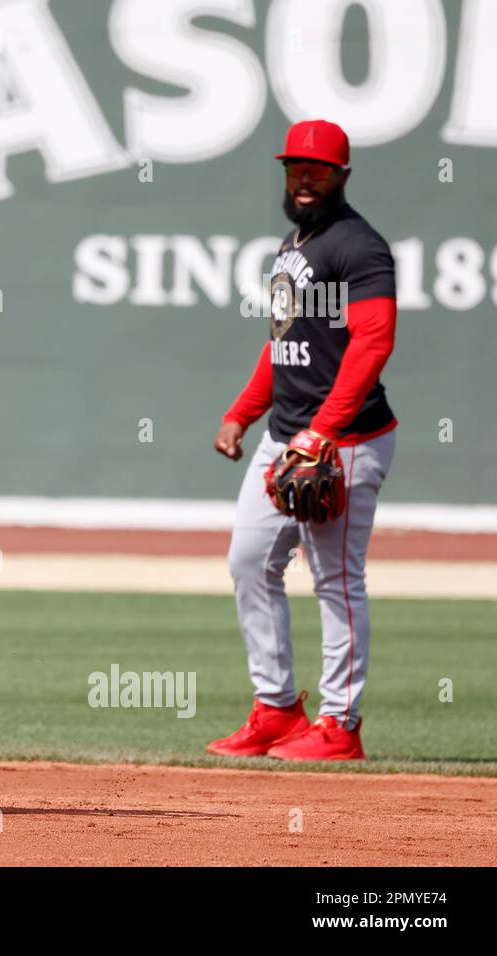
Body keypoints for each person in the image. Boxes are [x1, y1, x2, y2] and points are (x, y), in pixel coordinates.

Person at [209, 119, 398, 761]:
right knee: (248, 562)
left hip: (342, 441)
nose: (306, 178)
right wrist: (242, 411)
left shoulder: (358, 246)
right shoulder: (295, 243)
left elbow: (374, 341)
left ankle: (340, 724)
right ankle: (278, 708)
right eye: (296, 168)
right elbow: (283, 343)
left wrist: (325, 429)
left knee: (335, 578)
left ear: (343, 174)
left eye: (318, 168)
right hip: (284, 437)